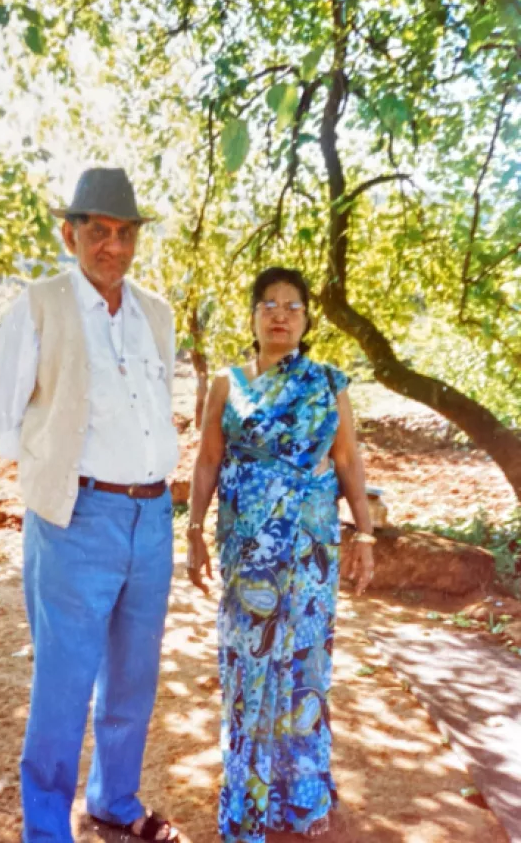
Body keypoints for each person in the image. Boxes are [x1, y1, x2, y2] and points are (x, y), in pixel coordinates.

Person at [0, 167, 180, 843]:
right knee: (63, 687)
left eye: (125, 233)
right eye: (98, 231)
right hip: (76, 519)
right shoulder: (40, 304)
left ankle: (114, 801)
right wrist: (55, 479)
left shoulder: (156, 312)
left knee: (132, 677)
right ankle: (47, 829)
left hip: (153, 520)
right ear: (69, 233)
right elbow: (5, 417)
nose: (114, 247)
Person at [186, 267, 375, 843]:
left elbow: (347, 462)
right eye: (268, 303)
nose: (279, 314)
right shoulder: (227, 383)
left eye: (292, 306)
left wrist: (364, 535)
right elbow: (207, 461)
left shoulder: (327, 382)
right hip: (249, 551)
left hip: (310, 548)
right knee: (248, 667)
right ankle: (249, 789)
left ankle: (300, 790)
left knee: (305, 665)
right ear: (251, 316)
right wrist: (193, 528)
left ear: (307, 320)